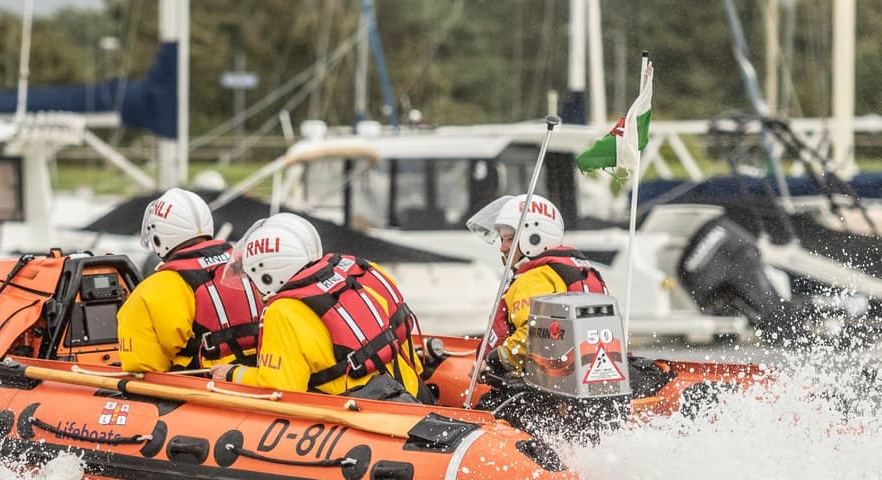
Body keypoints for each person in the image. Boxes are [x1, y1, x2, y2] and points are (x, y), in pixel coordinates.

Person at [209, 213, 427, 401]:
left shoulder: (282, 312)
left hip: (367, 413)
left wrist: (234, 374)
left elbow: (282, 387)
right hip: (413, 393)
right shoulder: (349, 274)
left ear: (266, 275)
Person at [116, 187, 262, 372]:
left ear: (158, 236)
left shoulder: (154, 290)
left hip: (203, 387)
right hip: (258, 378)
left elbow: (142, 368)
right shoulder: (250, 264)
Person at [471, 193, 608, 377]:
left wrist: (495, 361)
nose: (502, 247)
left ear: (534, 238)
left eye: (509, 239)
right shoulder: (575, 269)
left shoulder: (533, 278)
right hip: (586, 372)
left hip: (543, 385)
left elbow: (534, 334)